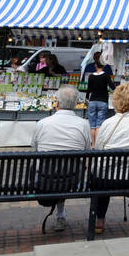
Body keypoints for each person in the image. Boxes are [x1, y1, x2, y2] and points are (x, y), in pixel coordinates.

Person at [91, 83, 129, 232]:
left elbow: (99, 149)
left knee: (100, 174)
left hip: (107, 178)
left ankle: (99, 220)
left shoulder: (107, 123)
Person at [30, 84, 90, 232]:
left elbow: (35, 149)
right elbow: (86, 150)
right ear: (76, 104)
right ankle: (60, 214)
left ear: (57, 103)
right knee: (68, 167)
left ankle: (60, 214)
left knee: (47, 166)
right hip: (72, 179)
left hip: (45, 177)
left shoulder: (42, 123)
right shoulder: (83, 124)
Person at [84, 51, 114, 144]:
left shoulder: (91, 76)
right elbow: (112, 87)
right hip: (103, 101)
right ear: (103, 66)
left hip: (92, 101)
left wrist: (87, 99)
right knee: (99, 125)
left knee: (92, 125)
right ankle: (97, 144)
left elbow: (88, 90)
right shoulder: (106, 75)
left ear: (95, 66)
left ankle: (93, 144)